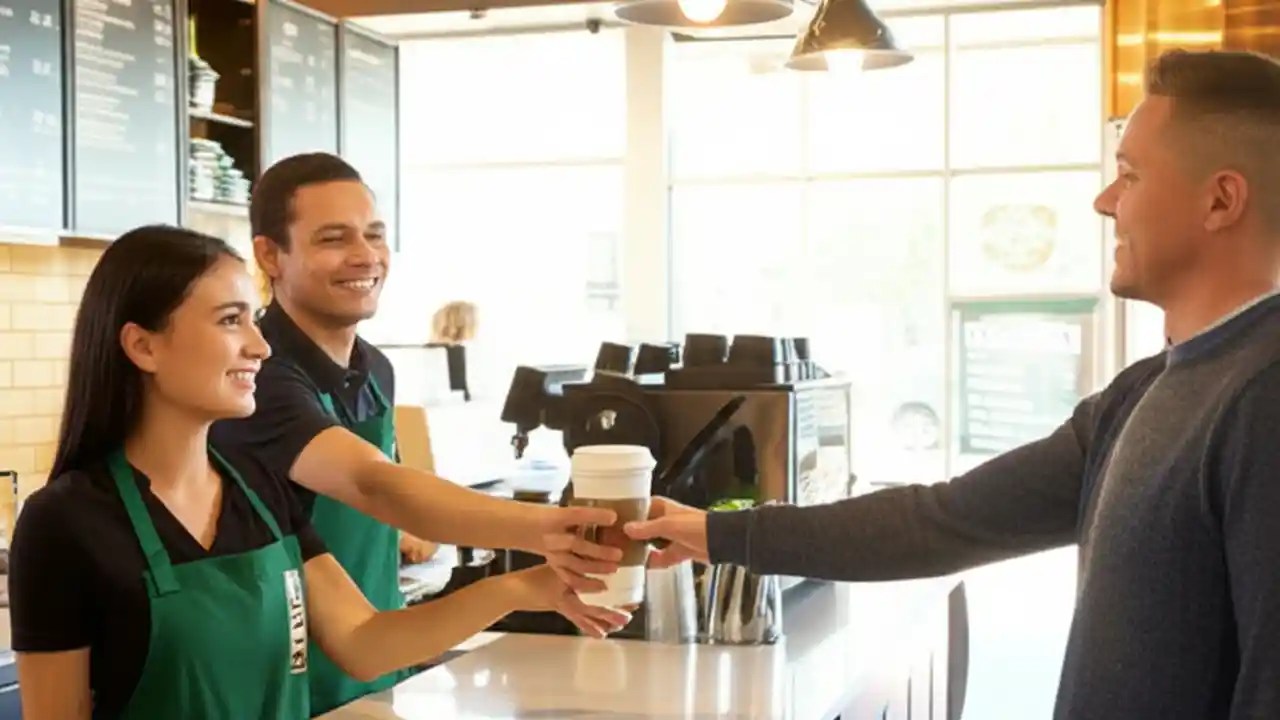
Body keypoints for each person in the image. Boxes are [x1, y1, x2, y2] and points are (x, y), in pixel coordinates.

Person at [626, 49, 1280, 720]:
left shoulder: (1264, 395)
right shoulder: (1141, 393)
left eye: (1130, 175)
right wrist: (711, 534)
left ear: (1221, 199)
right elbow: (943, 521)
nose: (1105, 201)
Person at [7, 226, 624, 720]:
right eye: (230, 321)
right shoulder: (67, 522)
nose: (260, 345)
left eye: (253, 318)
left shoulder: (255, 486)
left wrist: (525, 590)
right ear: (143, 347)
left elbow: (364, 642)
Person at [207, 153, 625, 715]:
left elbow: (389, 503)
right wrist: (550, 531)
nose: (365, 256)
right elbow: (373, 484)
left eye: (375, 235)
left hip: (378, 657)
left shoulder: (376, 370)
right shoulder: (259, 378)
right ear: (269, 254)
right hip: (291, 685)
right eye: (334, 238)